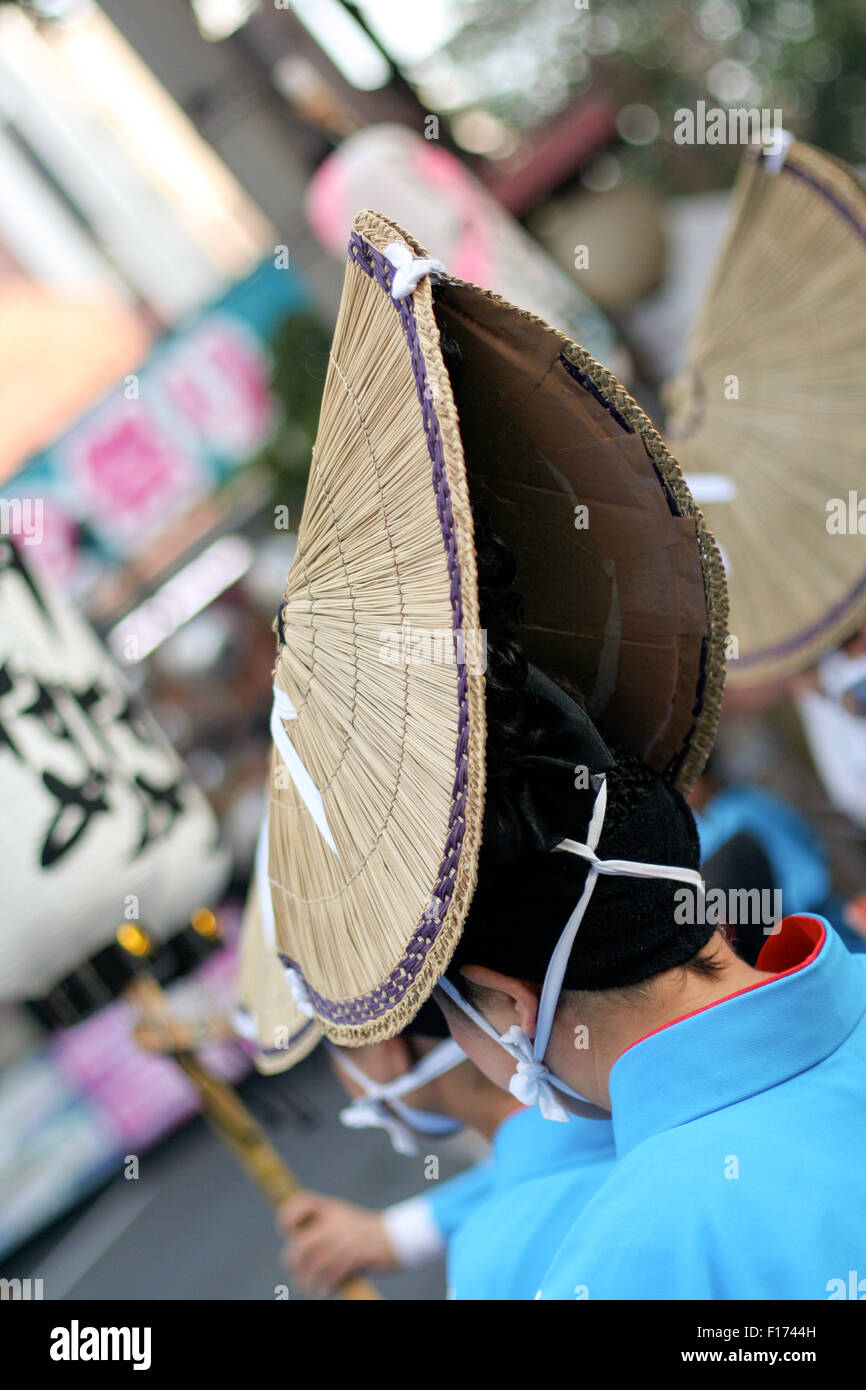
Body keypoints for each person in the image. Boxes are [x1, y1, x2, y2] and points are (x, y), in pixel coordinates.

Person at [277, 1000, 616, 1299]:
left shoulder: (483, 1271)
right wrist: (398, 1233)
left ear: (386, 1048)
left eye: (333, 1055)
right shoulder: (619, 1102)